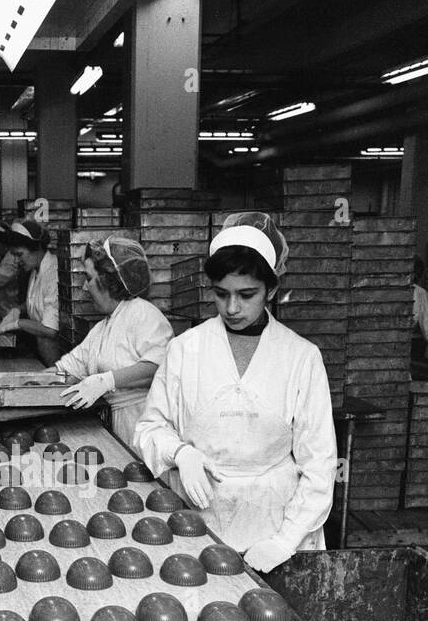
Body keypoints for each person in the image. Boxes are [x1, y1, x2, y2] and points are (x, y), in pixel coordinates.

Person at [134, 212, 337, 573]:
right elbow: (150, 428)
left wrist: (285, 540)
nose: (232, 308)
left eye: (246, 295)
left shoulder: (300, 357)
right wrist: (180, 453)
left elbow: (319, 465)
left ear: (271, 290)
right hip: (199, 524)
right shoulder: (186, 349)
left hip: (276, 525)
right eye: (221, 294)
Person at [43, 237, 173, 446]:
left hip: (141, 428)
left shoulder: (144, 314)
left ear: (108, 279)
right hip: (112, 428)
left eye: (88, 278)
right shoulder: (103, 327)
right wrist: (21, 382)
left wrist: (107, 381)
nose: (85, 288)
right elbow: (68, 369)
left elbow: (161, 365)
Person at [0, 218, 61, 365]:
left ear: (36, 248)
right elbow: (38, 300)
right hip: (44, 355)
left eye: (19, 254)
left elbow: (50, 330)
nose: (16, 260)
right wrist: (18, 309)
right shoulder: (35, 270)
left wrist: (18, 323)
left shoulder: (53, 274)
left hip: (58, 358)